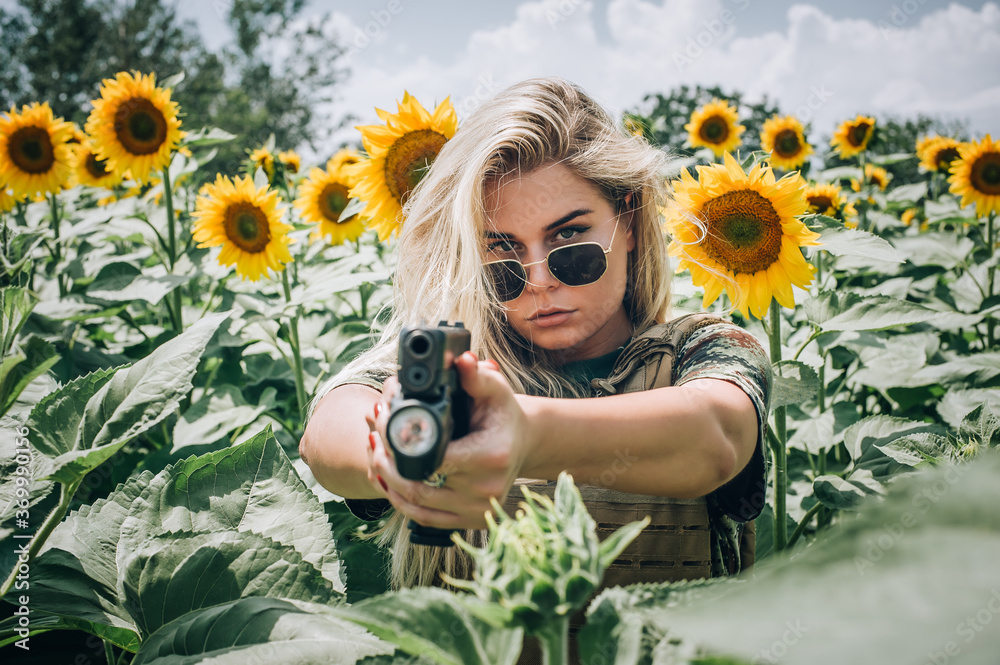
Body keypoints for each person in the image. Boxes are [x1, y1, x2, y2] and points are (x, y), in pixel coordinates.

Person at [300, 77, 771, 596]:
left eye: (569, 238)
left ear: (630, 219)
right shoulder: (453, 359)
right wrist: (402, 451)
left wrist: (523, 435)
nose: (540, 281)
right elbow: (328, 436)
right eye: (503, 253)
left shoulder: (701, 350)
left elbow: (717, 438)